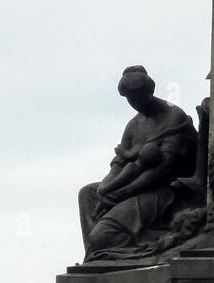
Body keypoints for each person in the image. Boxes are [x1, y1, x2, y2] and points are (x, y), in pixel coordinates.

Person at [78, 66, 198, 258]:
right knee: (87, 194)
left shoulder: (173, 117)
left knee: (102, 234)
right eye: (129, 99)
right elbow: (119, 163)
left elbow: (163, 169)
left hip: (168, 190)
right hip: (136, 185)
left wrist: (120, 193)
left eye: (137, 97)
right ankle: (95, 253)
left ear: (149, 92)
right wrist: (106, 188)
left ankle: (120, 248)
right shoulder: (134, 125)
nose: (134, 103)